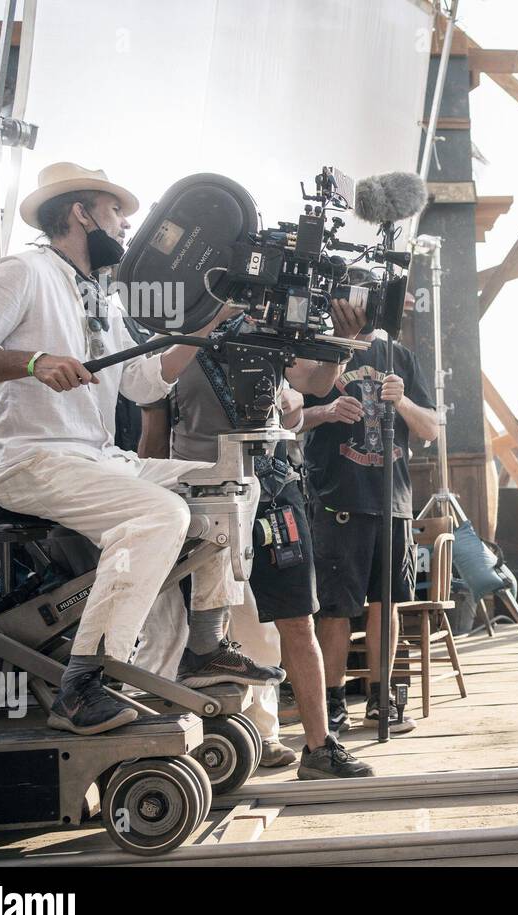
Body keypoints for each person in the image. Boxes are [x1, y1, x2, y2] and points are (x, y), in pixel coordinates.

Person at [0, 162, 281, 736]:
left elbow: (146, 382)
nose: (124, 226)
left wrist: (216, 317)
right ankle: (82, 685)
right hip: (33, 460)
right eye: (115, 211)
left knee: (231, 483)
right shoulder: (22, 270)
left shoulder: (101, 296)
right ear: (79, 212)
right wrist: (35, 363)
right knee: (159, 513)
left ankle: (203, 646)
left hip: (94, 458)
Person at [138, 305, 375, 778]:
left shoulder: (267, 333)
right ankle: (193, 742)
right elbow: (154, 438)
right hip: (199, 497)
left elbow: (317, 381)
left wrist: (345, 344)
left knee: (293, 620)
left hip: (270, 489)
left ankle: (318, 746)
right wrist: (149, 504)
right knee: (195, 632)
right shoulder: (172, 344)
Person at [304, 296, 438, 734]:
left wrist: (402, 403)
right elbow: (291, 414)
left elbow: (431, 429)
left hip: (392, 498)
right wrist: (327, 406)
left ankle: (382, 701)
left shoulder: (400, 356)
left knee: (388, 603)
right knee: (335, 609)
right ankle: (333, 701)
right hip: (336, 496)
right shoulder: (322, 344)